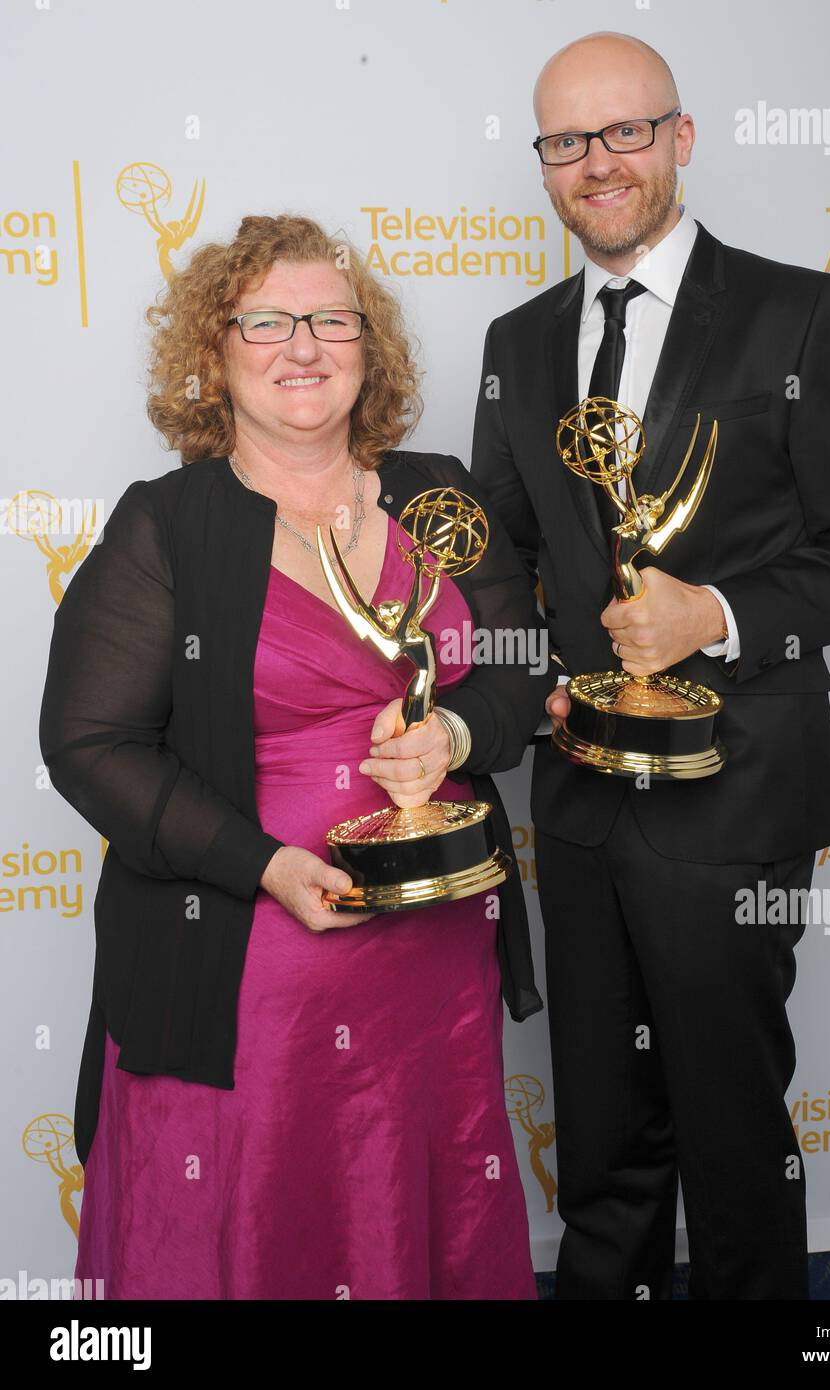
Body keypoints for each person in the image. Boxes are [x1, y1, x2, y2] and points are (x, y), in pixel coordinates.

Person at [470, 33, 830, 1299]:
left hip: (736, 795)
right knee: (604, 1133)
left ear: (682, 136)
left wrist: (715, 612)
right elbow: (503, 562)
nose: (598, 162)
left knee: (730, 1130)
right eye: (568, 140)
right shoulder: (518, 342)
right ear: (545, 164)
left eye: (625, 131)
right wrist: (536, 677)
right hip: (575, 796)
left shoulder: (797, 310)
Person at [39, 213, 557, 1300]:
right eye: (265, 321)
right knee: (259, 1221)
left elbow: (517, 667)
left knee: (416, 1208)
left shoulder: (440, 495)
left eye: (330, 318)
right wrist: (263, 864)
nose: (302, 345)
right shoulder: (167, 525)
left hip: (433, 950)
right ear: (213, 351)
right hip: (245, 955)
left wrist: (456, 733)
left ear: (370, 348)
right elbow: (89, 742)